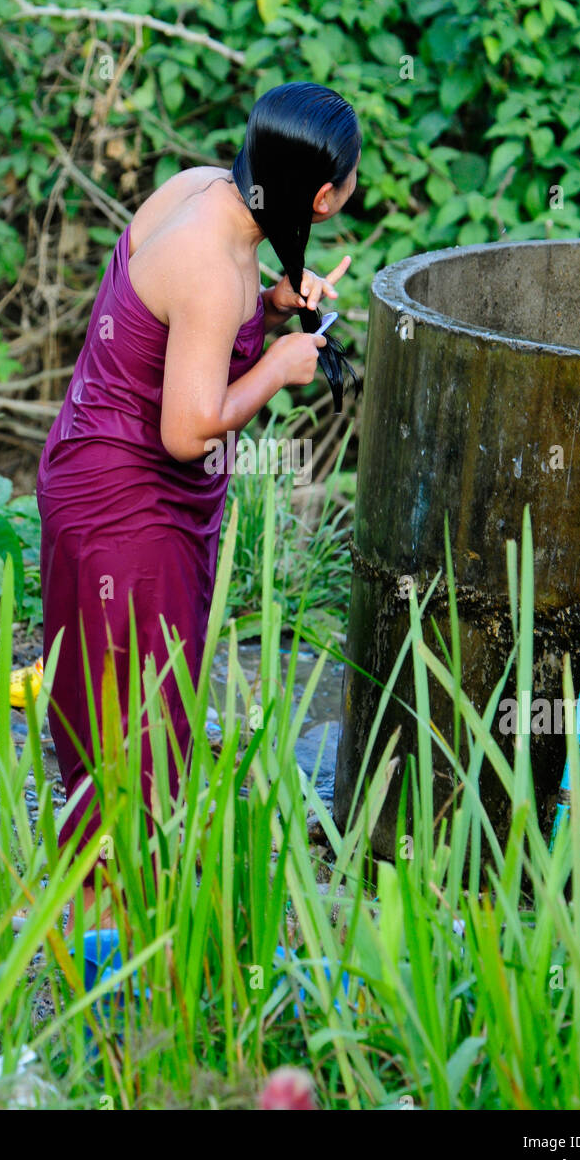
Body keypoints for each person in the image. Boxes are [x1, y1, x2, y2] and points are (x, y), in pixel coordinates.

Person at [36, 81, 361, 931]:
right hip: (131, 512)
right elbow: (187, 430)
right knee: (136, 731)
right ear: (321, 196)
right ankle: (116, 951)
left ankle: (105, 917)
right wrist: (280, 365)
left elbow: (165, 328)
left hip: (84, 472)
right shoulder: (216, 272)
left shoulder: (194, 192)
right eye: (349, 183)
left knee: (105, 708)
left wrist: (272, 308)